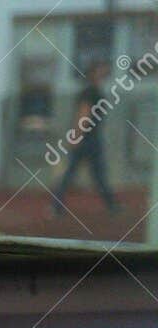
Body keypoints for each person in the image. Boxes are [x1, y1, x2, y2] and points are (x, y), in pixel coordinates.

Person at [53, 62, 120, 216]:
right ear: (92, 75)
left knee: (90, 174)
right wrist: (77, 136)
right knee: (80, 174)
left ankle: (57, 207)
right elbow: (83, 115)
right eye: (99, 71)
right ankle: (56, 206)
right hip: (88, 140)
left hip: (90, 138)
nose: (103, 73)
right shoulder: (90, 93)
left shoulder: (93, 92)